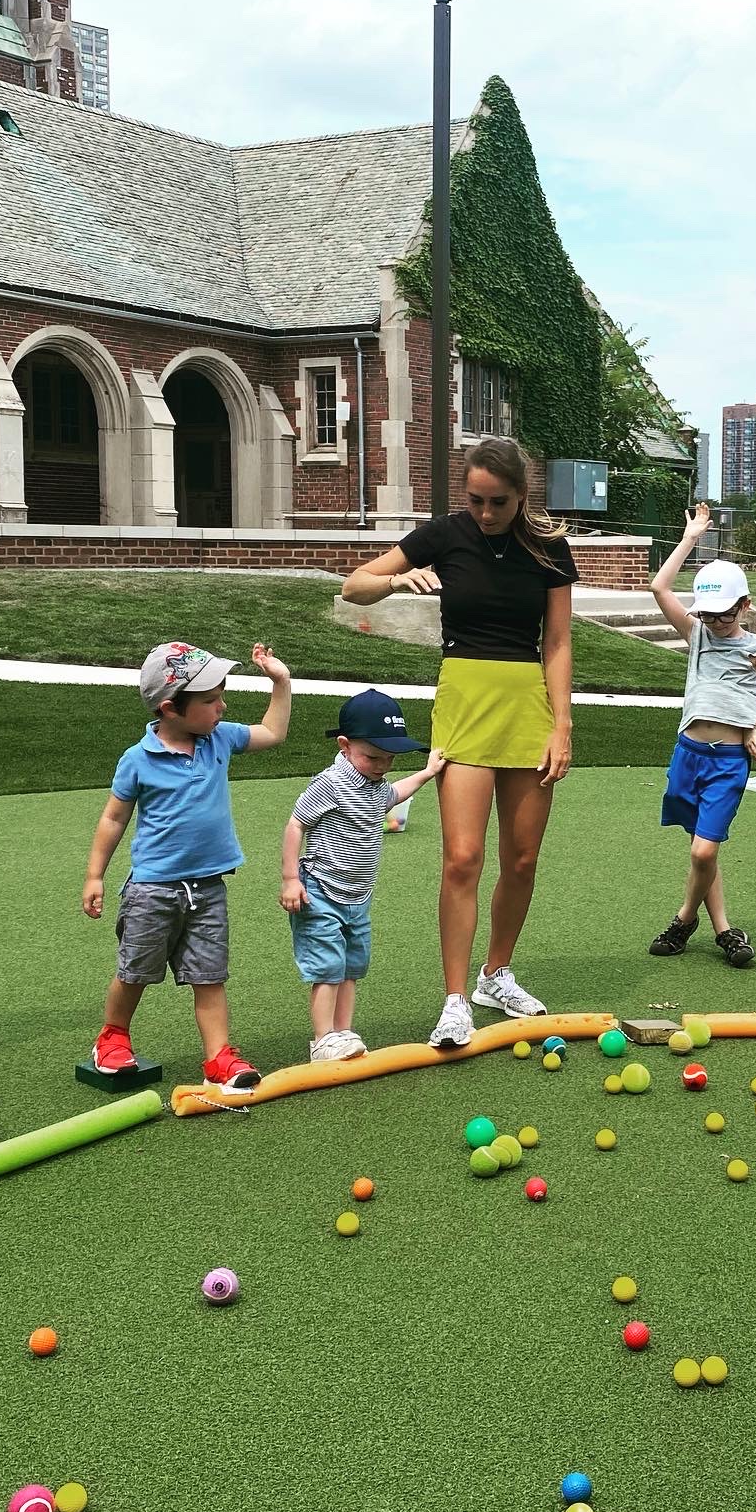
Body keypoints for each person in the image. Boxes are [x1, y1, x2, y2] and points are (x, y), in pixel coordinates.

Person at [342, 436, 576, 1048]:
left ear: (521, 496)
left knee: (522, 858)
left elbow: (557, 643)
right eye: (475, 501)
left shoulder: (549, 546)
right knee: (462, 857)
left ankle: (495, 975)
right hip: (465, 698)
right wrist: (397, 581)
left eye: (498, 502)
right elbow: (353, 585)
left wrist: (562, 726)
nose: (486, 513)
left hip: (528, 704)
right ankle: (453, 999)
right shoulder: (445, 534)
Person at [82, 640, 292, 1091]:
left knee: (209, 976)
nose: (222, 706)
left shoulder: (221, 738)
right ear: (170, 708)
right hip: (152, 890)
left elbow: (272, 733)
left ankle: (219, 1058)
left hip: (209, 887)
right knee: (135, 970)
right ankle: (112, 1038)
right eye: (211, 700)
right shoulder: (138, 759)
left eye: (221, 696)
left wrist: (281, 682)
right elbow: (113, 816)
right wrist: (95, 874)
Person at [646, 504, 756, 966]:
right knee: (701, 853)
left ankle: (683, 920)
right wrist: (693, 535)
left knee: (704, 848)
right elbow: (659, 586)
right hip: (688, 753)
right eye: (709, 615)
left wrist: (753, 721)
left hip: (728, 762)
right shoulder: (697, 635)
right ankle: (725, 931)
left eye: (725, 615)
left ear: (745, 606)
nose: (716, 623)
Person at [281, 689, 445, 1062]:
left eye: (389, 758)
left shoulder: (374, 784)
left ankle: (343, 1032)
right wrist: (290, 879)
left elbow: (393, 795)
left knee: (352, 967)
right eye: (373, 756)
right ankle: (323, 1040)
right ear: (344, 745)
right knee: (328, 966)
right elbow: (295, 824)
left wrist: (427, 772)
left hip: (358, 897)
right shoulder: (330, 783)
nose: (382, 765)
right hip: (320, 889)